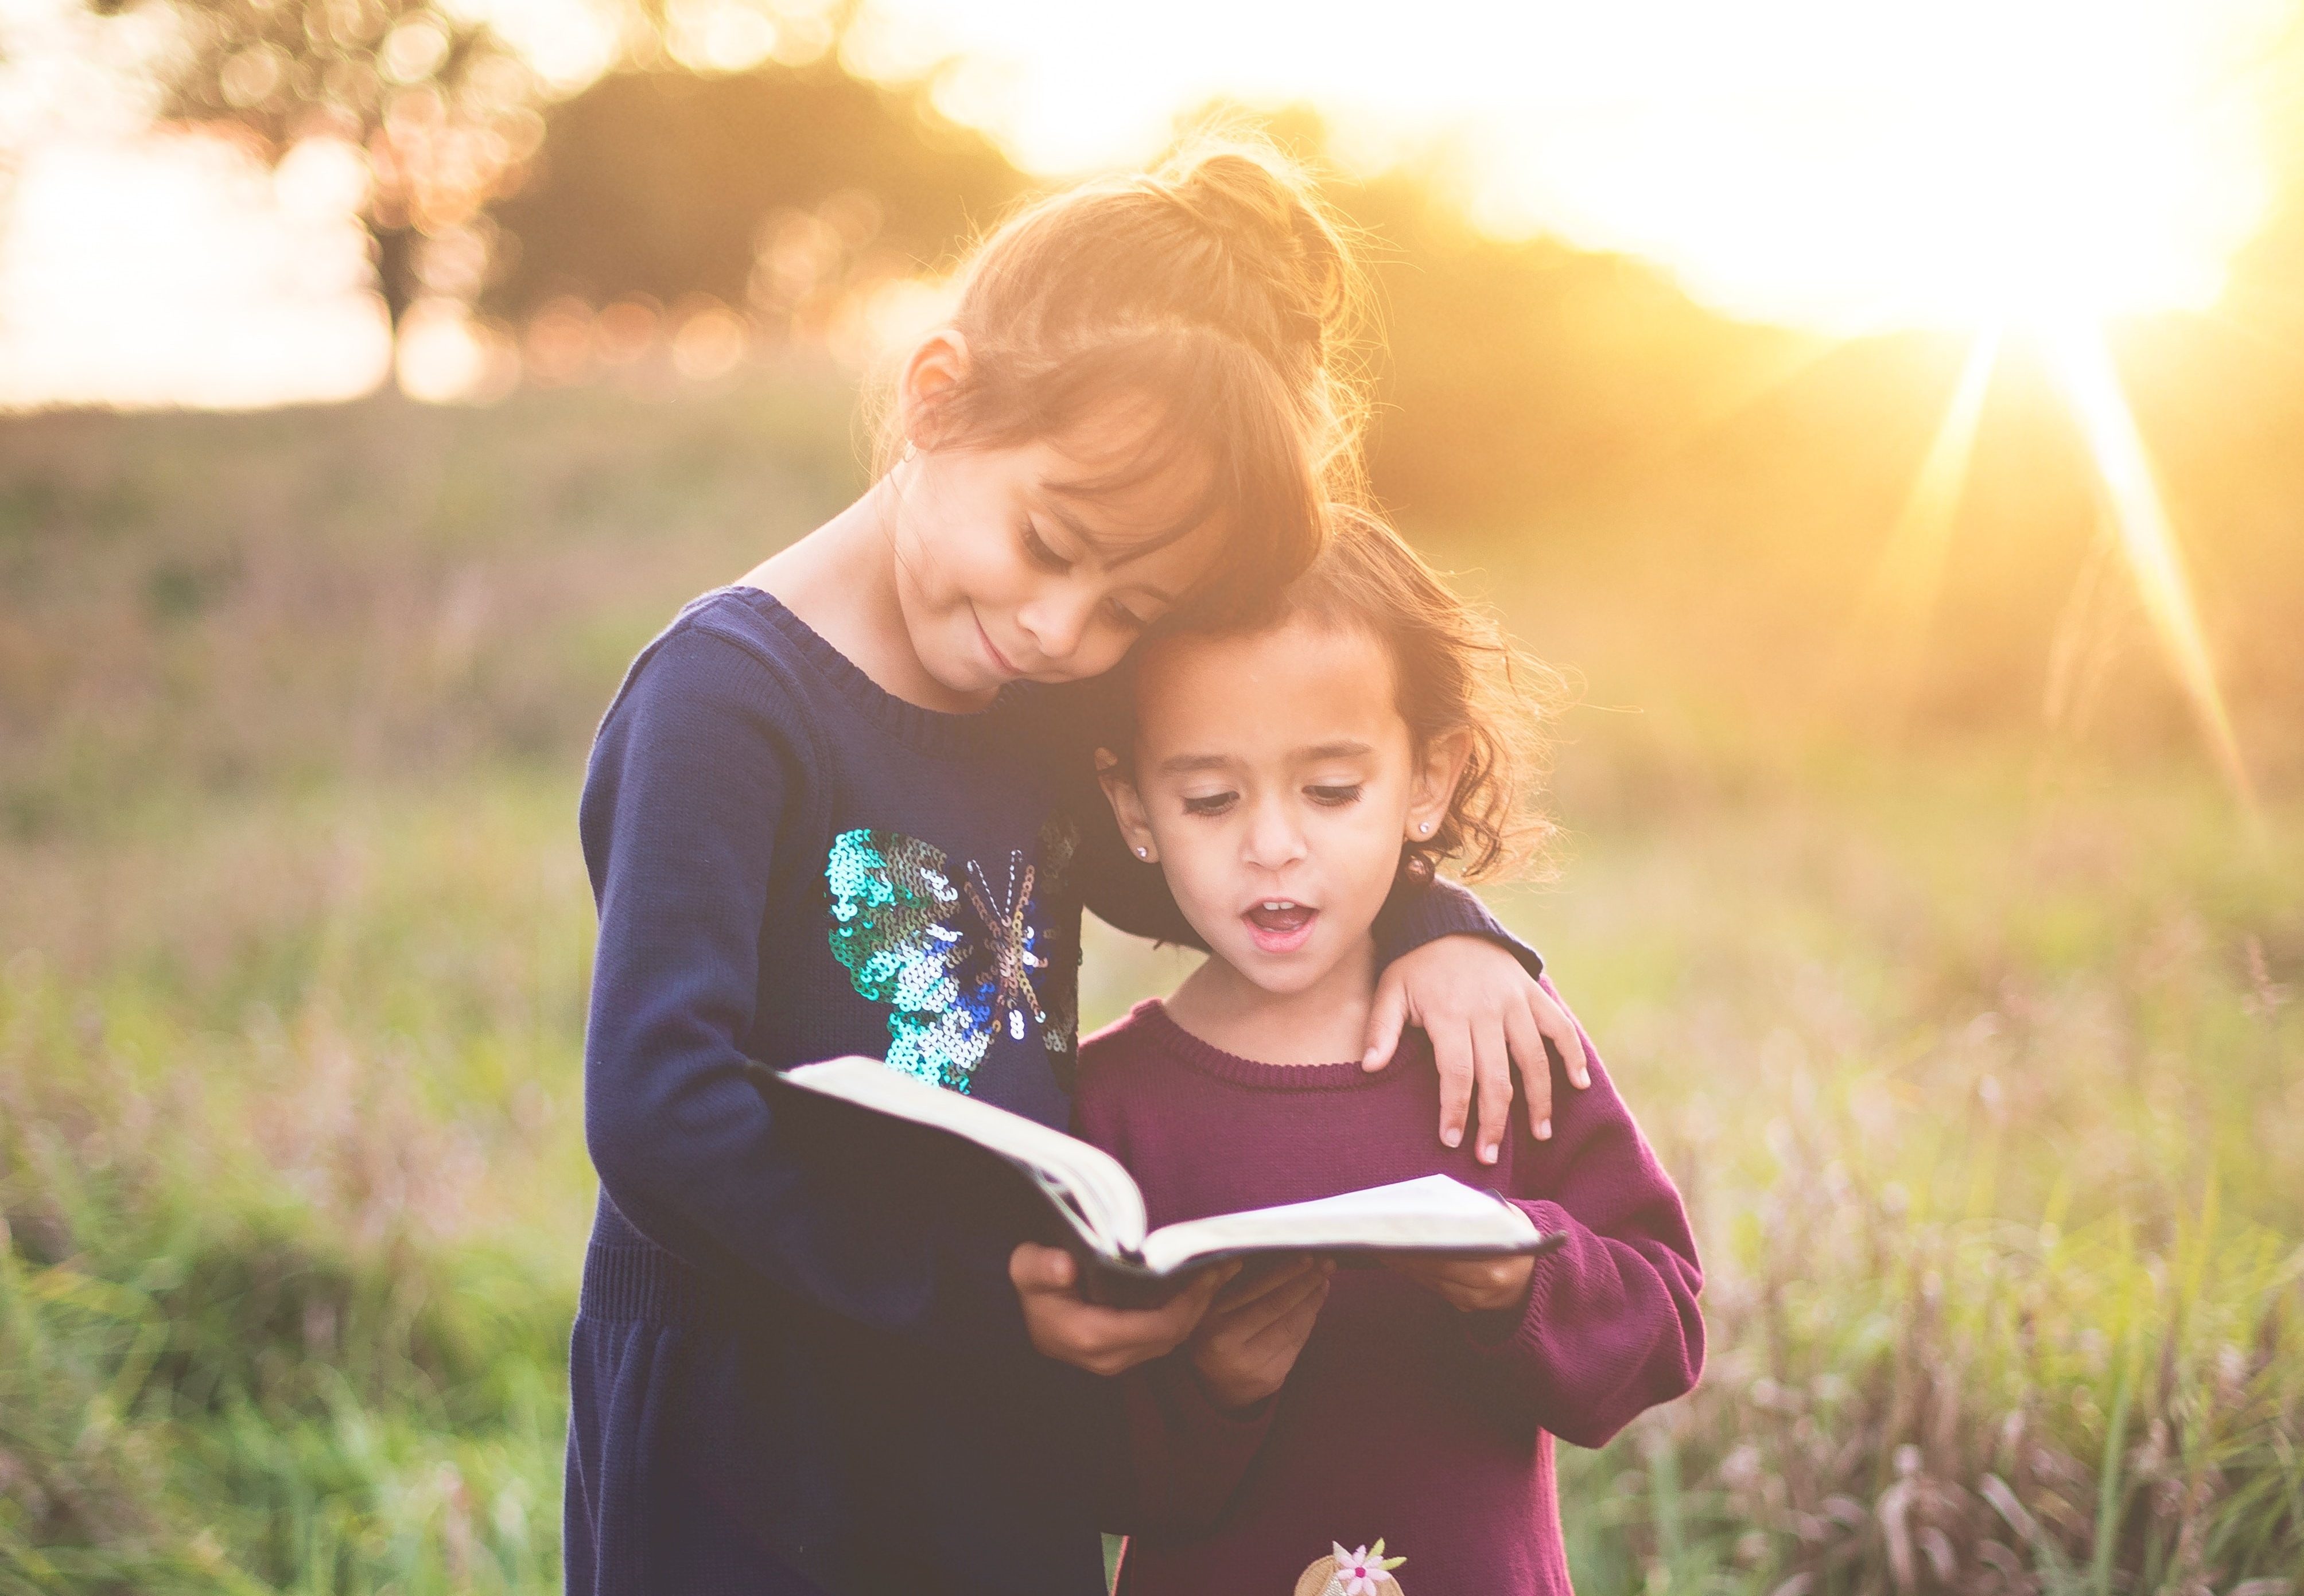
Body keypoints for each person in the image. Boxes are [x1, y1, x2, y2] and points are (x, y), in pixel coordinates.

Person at [566, 139, 1586, 1596]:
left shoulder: (1028, 703)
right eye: (1051, 544)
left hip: (997, 1388)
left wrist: (1437, 921)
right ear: (936, 397)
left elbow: (1217, 873)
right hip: (757, 1405)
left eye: (1131, 608)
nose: (1062, 631)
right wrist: (979, 1299)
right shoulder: (727, 701)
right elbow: (658, 1109)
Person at [1078, 511, 1706, 1596]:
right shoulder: (1110, 1104)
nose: (1272, 842)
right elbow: (1068, 1461)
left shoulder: (1495, 1036)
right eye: (1210, 798)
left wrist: (1524, 1274)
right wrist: (1210, 1387)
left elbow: (1666, 1328)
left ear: (1428, 778)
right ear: (1133, 804)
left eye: (1330, 790)